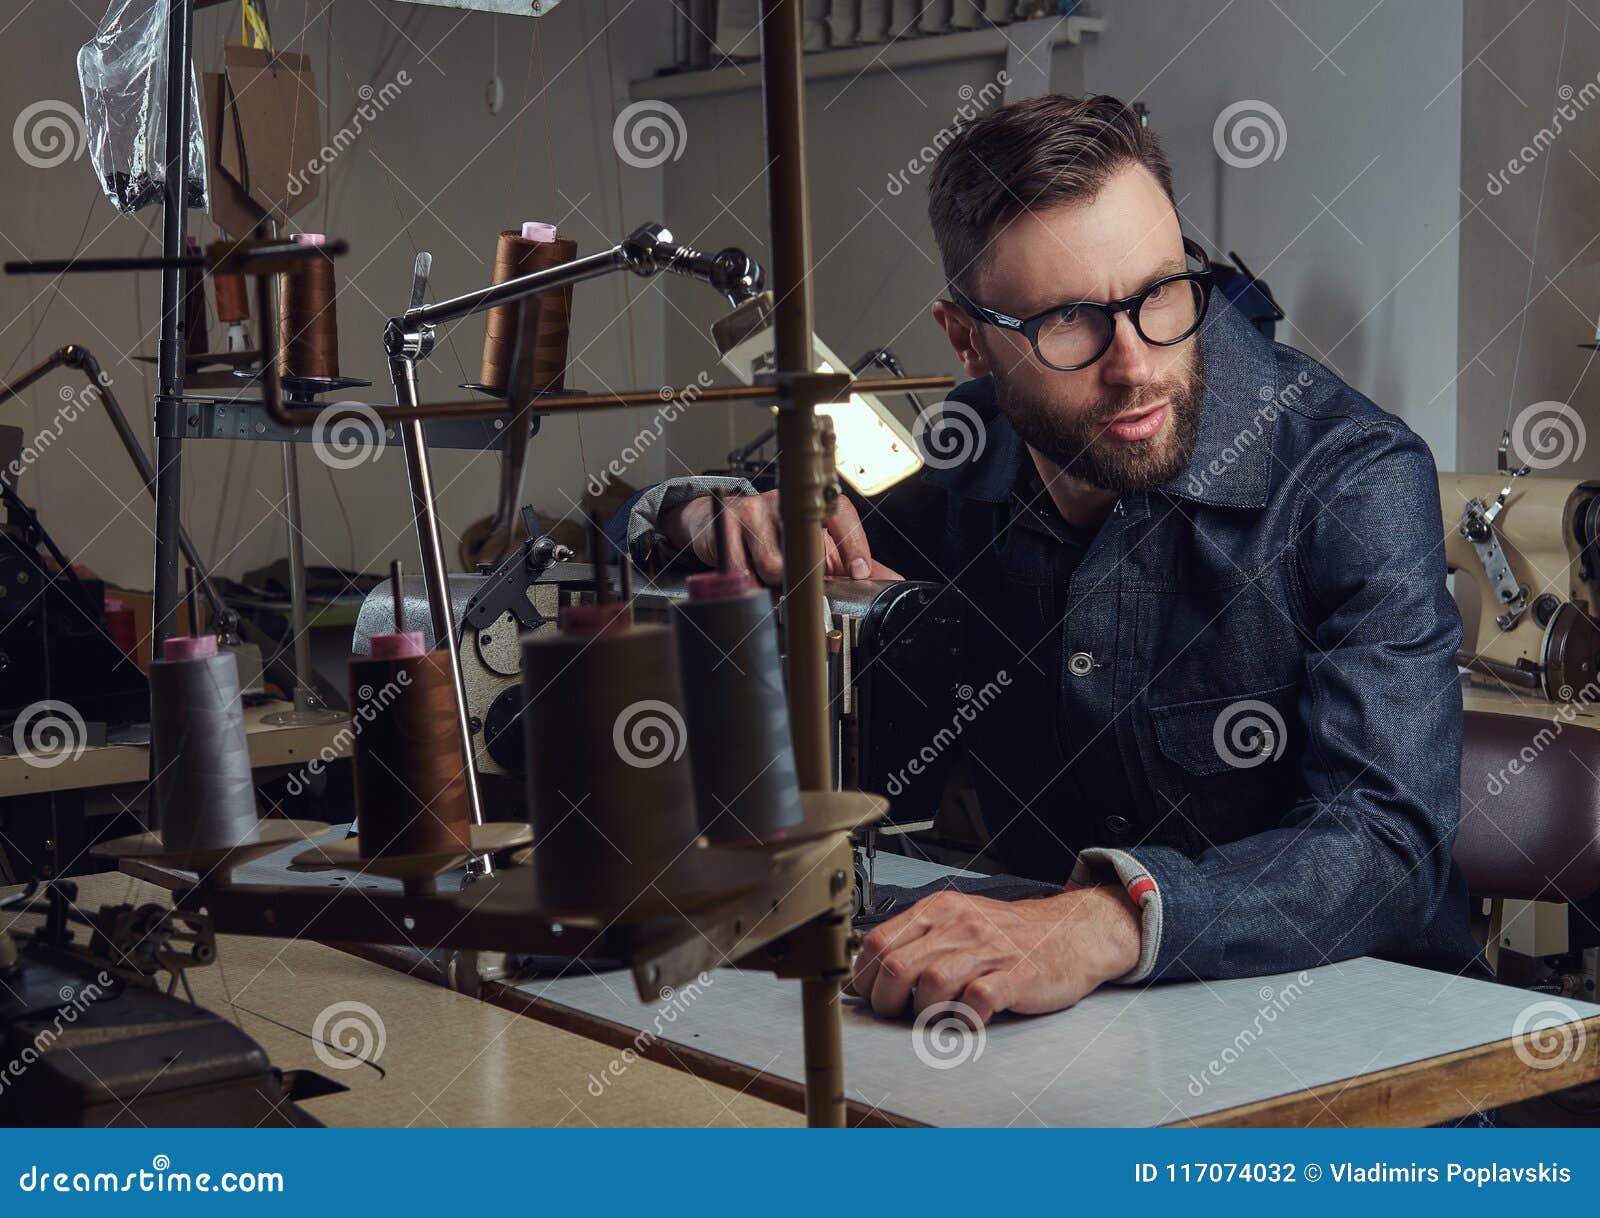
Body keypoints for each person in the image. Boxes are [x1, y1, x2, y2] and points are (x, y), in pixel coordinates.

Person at [608, 94, 1479, 1026]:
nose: (1136, 363)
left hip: (1362, 1041)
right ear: (966, 341)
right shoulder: (959, 454)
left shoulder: (1351, 478)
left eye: (1163, 292)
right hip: (1078, 1038)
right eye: (1069, 321)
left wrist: (1105, 922)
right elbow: (669, 528)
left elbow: (1388, 840)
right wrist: (707, 516)